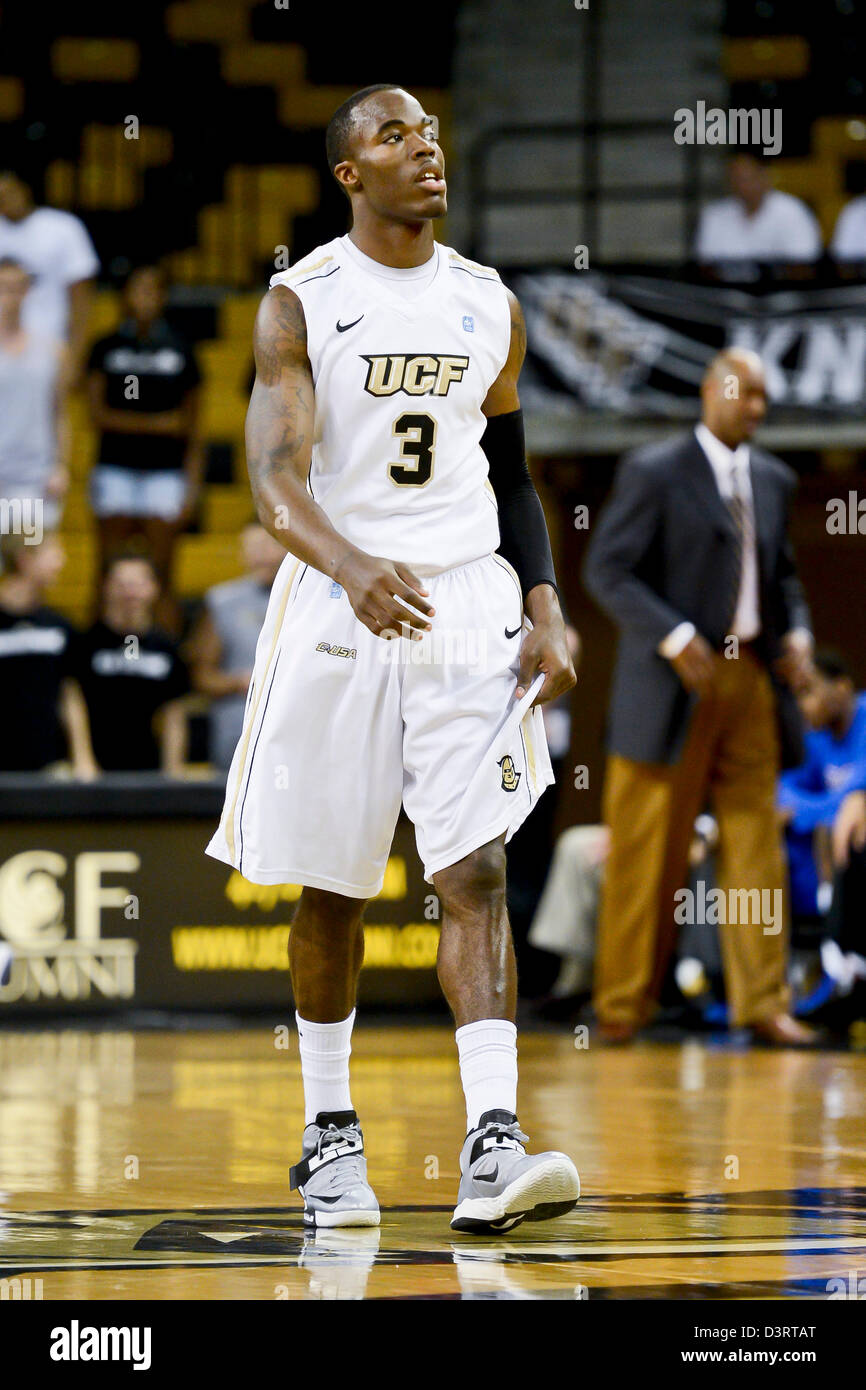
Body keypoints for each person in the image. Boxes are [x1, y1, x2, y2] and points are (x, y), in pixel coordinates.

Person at [207, 83, 580, 1235]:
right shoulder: (299, 301)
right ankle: (328, 1137)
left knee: (471, 872)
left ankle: (491, 1141)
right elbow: (273, 480)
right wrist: (350, 562)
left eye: (427, 132)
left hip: (467, 604)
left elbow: (509, 474)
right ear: (347, 174)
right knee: (335, 883)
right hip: (336, 603)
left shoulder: (487, 301)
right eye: (390, 136)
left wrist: (543, 603)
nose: (421, 149)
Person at [584, 347, 816, 1047]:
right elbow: (608, 569)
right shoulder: (654, 470)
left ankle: (764, 1002)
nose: (758, 408)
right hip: (671, 680)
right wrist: (674, 633)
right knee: (646, 849)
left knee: (755, 850)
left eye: (764, 398)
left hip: (748, 681)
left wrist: (799, 632)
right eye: (747, 394)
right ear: (714, 390)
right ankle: (623, 1005)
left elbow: (783, 578)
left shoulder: (774, 478)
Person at [86, 264, 203, 630]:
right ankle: (98, 653)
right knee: (108, 572)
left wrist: (193, 488)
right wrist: (159, 424)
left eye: (153, 291)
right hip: (114, 469)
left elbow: (191, 427)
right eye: (138, 290)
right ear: (124, 296)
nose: (145, 299)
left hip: (165, 474)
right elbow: (96, 415)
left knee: (162, 574)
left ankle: (164, 653)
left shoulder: (182, 351)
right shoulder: (105, 347)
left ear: (163, 297)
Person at [779, 651, 866, 1007]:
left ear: (842, 687)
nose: (803, 705)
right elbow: (782, 792)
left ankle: (844, 965)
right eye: (797, 695)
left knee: (850, 822)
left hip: (853, 844)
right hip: (822, 849)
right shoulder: (815, 737)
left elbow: (858, 794)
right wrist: (823, 810)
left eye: (810, 691)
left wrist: (813, 810)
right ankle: (715, 975)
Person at [73, 553, 190, 774]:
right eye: (121, 584)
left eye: (138, 584)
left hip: (149, 768)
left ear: (154, 588)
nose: (130, 592)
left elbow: (174, 712)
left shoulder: (167, 648)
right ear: (105, 587)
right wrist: (83, 759)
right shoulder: (84, 644)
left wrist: (173, 768)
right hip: (93, 771)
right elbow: (73, 702)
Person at [189, 522, 285, 770]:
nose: (262, 554)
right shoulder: (221, 601)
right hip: (237, 722)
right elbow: (202, 677)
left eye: (268, 544)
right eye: (253, 547)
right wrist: (238, 682)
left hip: (292, 718)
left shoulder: (308, 599)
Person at [0, 533, 96, 776]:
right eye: (52, 553)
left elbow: (70, 693)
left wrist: (83, 758)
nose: (61, 562)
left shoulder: (59, 626)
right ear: (25, 560)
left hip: (47, 762)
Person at [0, 169, 99, 380]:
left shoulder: (63, 228)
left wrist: (76, 355)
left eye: (9, 192)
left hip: (51, 347)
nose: (5, 199)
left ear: (24, 190)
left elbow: (81, 300)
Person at [0, 257, 69, 530]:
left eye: (17, 287)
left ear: (28, 290)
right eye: (4, 287)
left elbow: (59, 413)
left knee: (30, 563)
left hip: (34, 478)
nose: (10, 295)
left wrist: (60, 465)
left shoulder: (51, 352)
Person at [694, 153, 822, 280]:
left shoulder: (793, 211)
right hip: (726, 296)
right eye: (737, 179)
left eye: (748, 178)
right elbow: (706, 267)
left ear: (765, 177)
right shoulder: (714, 215)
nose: (743, 186)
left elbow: (803, 266)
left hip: (782, 294)